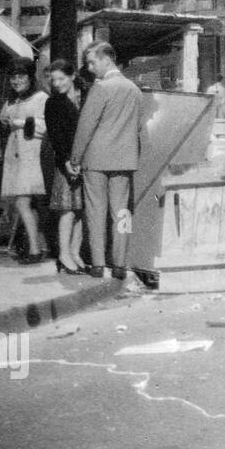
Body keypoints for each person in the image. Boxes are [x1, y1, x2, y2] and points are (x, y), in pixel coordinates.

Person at [67, 42, 144, 280]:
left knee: (95, 212)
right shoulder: (134, 89)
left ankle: (98, 264)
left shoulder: (100, 88)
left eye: (92, 62)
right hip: (124, 159)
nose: (90, 68)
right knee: (122, 213)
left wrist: (75, 157)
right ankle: (120, 265)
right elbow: (138, 126)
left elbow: (85, 127)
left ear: (106, 60)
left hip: (96, 159)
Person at [0, 58, 50, 264]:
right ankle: (36, 246)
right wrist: (2, 124)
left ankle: (35, 250)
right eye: (13, 77)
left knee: (23, 202)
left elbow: (45, 125)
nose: (16, 80)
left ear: (30, 77)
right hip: (15, 157)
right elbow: (3, 122)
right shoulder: (11, 101)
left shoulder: (40, 98)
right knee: (23, 203)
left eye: (21, 76)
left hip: (32, 156)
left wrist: (18, 123)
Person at [44, 59, 87, 274]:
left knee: (81, 210)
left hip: (86, 160)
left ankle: (75, 251)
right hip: (67, 162)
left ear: (72, 76)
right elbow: (55, 136)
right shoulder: (53, 103)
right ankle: (63, 254)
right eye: (54, 80)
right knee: (67, 210)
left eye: (61, 78)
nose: (57, 83)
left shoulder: (85, 96)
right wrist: (65, 161)